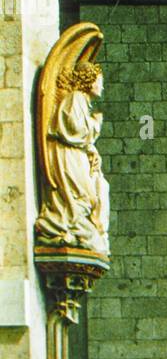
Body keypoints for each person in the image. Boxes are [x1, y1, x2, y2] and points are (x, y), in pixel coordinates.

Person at [35, 61, 110, 257]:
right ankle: (68, 226)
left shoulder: (82, 102)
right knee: (81, 194)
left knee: (91, 193)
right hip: (68, 156)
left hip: (75, 154)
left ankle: (78, 227)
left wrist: (93, 151)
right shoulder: (75, 98)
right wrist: (96, 123)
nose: (101, 86)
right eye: (99, 81)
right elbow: (72, 129)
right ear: (89, 81)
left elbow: (81, 138)